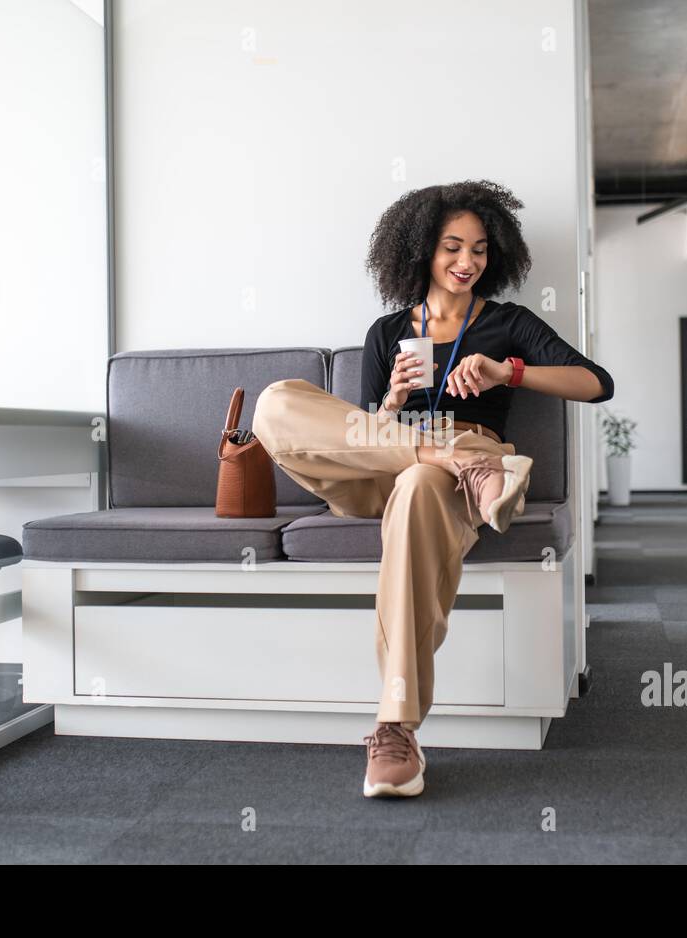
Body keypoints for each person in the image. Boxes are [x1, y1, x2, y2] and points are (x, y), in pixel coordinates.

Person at [251, 180, 614, 798]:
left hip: (455, 478)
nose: (466, 262)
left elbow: (597, 383)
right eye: (452, 247)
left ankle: (396, 726)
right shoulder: (387, 330)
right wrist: (390, 400)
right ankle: (446, 454)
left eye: (478, 249)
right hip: (387, 457)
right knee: (275, 401)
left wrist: (509, 370)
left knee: (421, 482)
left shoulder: (506, 323)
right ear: (421, 251)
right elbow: (363, 427)